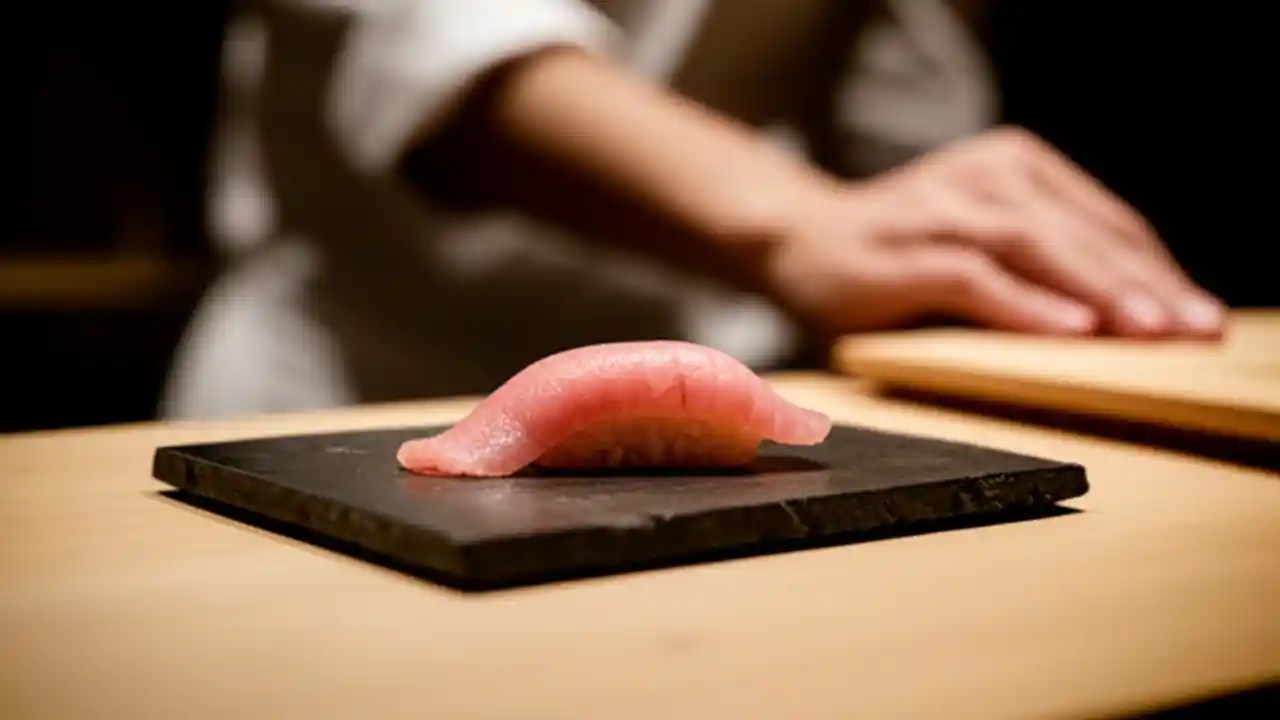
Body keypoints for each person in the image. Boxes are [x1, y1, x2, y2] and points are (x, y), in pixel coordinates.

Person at [161, 0, 1227, 419]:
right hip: (359, 387)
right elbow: (433, 46)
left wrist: (985, 254)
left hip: (732, 402)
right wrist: (803, 225)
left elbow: (900, 90)